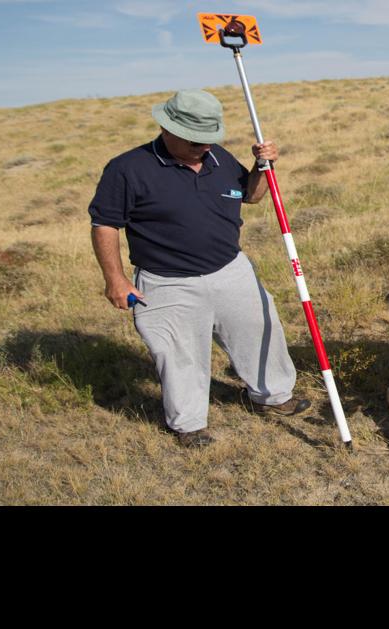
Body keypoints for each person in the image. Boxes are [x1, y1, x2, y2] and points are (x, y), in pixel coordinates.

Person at [87, 89, 310, 449]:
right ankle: (189, 424)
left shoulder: (218, 157)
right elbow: (105, 224)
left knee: (259, 330)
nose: (204, 147)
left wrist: (262, 167)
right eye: (195, 141)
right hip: (167, 282)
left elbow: (251, 196)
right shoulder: (127, 169)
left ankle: (272, 395)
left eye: (209, 138)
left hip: (231, 270)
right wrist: (115, 278)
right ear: (167, 129)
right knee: (179, 355)